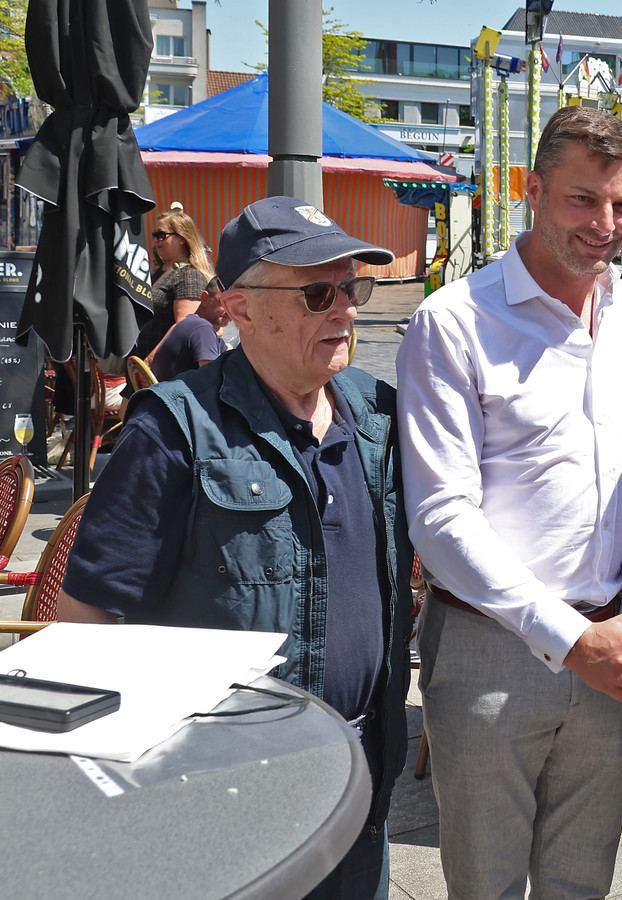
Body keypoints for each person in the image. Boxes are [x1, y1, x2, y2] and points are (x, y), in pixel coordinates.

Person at [57, 196, 412, 900]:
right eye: (318, 293)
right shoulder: (175, 431)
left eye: (351, 288)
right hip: (223, 785)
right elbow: (85, 625)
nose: (345, 310)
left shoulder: (376, 413)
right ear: (241, 308)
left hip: (361, 777)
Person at [397, 106, 622, 900]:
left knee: (580, 885)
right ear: (531, 190)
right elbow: (442, 518)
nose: (606, 223)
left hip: (615, 643)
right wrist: (571, 640)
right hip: (491, 649)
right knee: (485, 888)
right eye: (582, 200)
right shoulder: (453, 322)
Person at [139, 208, 214, 356]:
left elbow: (183, 328)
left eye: (162, 235)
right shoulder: (163, 271)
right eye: (155, 235)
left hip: (163, 370)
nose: (156, 240)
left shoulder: (188, 274)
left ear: (182, 238)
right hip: (142, 365)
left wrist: (150, 361)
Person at [149, 276, 231, 381]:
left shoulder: (192, 324)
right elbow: (211, 379)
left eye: (233, 304)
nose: (229, 310)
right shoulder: (201, 328)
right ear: (205, 299)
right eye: (223, 302)